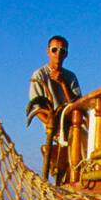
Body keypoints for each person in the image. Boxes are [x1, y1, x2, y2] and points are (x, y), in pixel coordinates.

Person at [27, 36, 85, 180]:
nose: (58, 53)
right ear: (48, 52)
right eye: (54, 50)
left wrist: (63, 83)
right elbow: (36, 108)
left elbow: (78, 103)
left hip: (72, 124)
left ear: (66, 54)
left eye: (62, 50)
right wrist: (52, 126)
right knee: (62, 164)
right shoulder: (39, 75)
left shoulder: (70, 77)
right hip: (53, 126)